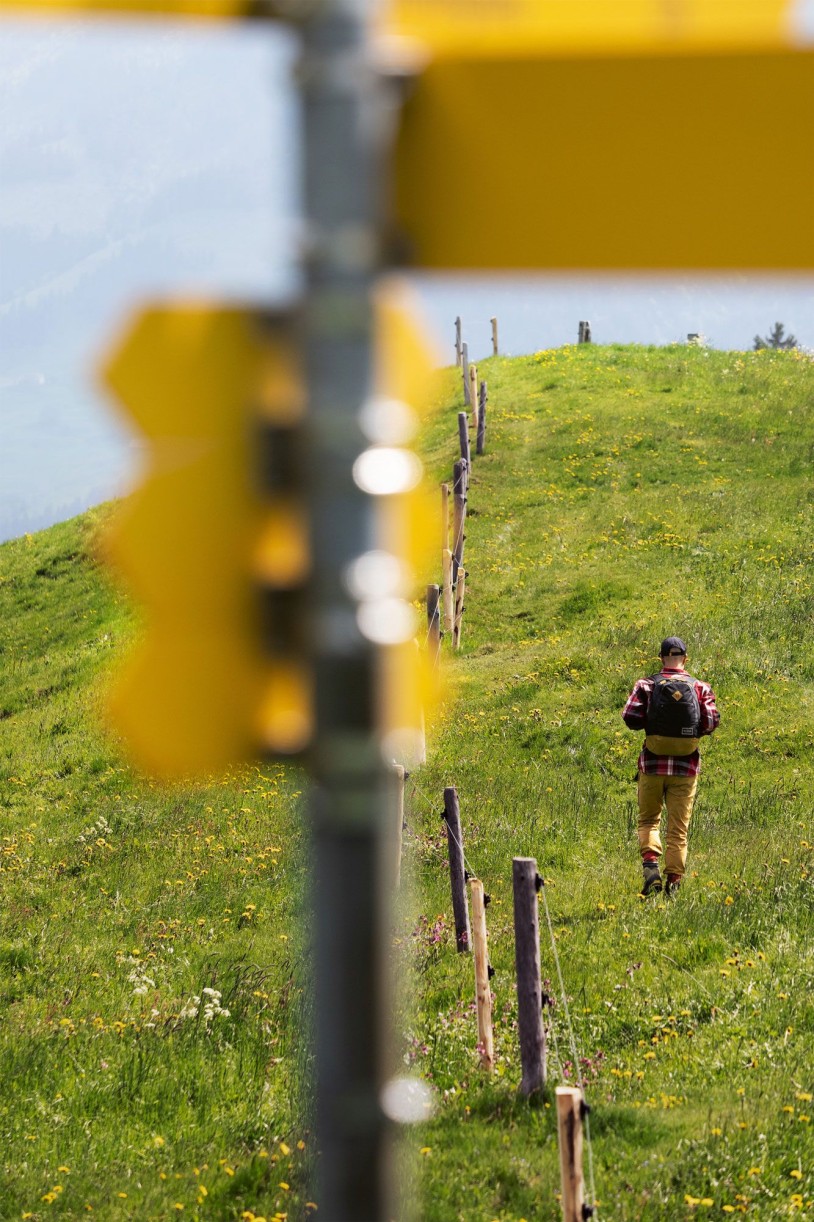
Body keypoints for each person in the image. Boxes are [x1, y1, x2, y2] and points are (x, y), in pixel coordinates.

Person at [622, 637, 720, 896]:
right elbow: (711, 722)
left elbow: (629, 717)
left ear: (661, 658)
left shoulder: (646, 685)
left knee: (648, 821)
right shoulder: (700, 687)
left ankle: (651, 869)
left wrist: (652, 723)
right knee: (678, 829)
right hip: (686, 768)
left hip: (652, 764)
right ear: (685, 659)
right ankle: (673, 883)